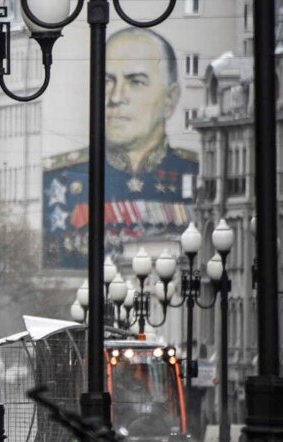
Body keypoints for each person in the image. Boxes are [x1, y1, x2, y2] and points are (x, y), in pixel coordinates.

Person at [42, 27, 199, 268]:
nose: (115, 97)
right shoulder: (61, 178)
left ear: (170, 98)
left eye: (136, 82)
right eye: (107, 81)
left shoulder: (193, 172)